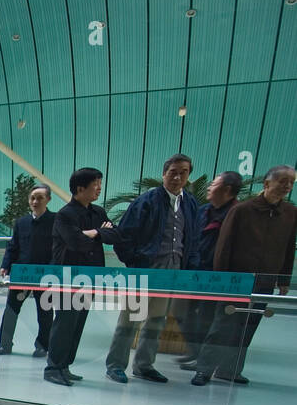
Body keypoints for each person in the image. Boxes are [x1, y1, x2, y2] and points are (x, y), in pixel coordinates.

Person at [192, 165, 296, 386]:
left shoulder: (290, 213)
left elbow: (289, 247)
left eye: (291, 182)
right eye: (283, 181)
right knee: (222, 325)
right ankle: (204, 370)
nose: (287, 186)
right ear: (267, 184)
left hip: (265, 280)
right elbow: (223, 246)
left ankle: (230, 371)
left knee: (248, 326)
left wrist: (284, 279)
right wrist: (221, 279)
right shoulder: (242, 210)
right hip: (236, 279)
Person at [105, 154, 201, 383]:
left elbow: (194, 238)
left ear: (188, 176)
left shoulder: (190, 203)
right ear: (164, 174)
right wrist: (136, 263)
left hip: (172, 272)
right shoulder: (147, 201)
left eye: (183, 172)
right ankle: (116, 365)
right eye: (173, 172)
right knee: (130, 319)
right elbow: (124, 236)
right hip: (145, 270)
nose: (177, 177)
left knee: (156, 321)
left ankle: (144, 365)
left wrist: (189, 268)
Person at [43, 168, 121, 386]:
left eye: (100, 183)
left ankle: (65, 365)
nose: (99, 188)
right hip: (68, 277)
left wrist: (94, 233)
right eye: (95, 184)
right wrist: (99, 233)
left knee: (78, 323)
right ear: (80, 188)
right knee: (65, 322)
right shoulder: (65, 214)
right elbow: (75, 242)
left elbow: (115, 234)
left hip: (91, 277)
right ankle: (53, 367)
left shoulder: (97, 212)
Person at [177, 171, 243, 370]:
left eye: (213, 184)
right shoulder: (203, 210)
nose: (208, 187)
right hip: (195, 271)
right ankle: (196, 351)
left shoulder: (237, 214)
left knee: (207, 317)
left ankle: (204, 360)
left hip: (218, 275)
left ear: (227, 190)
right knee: (182, 312)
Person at [0, 185, 55, 356]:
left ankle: (43, 346)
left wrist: (52, 269)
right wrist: (5, 265)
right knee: (11, 310)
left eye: (40, 198)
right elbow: (13, 246)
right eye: (32, 198)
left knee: (45, 312)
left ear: (48, 199)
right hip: (22, 273)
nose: (35, 201)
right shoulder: (22, 222)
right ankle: (4, 344)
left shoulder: (55, 221)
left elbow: (58, 248)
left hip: (44, 274)